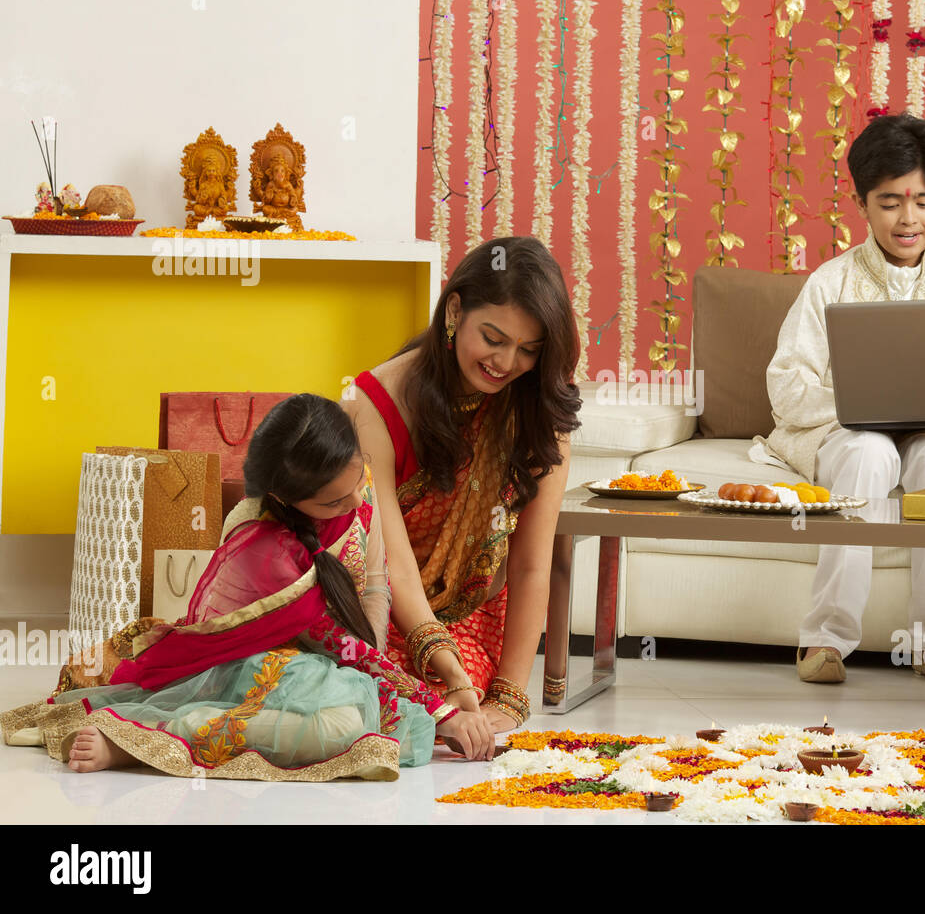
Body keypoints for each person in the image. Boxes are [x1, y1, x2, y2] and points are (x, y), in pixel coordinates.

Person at [0, 394, 496, 778]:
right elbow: (336, 643)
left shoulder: (353, 490)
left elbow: (374, 590)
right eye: (333, 502)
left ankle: (192, 734)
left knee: (350, 719)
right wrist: (437, 709)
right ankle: (150, 739)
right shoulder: (261, 544)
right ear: (286, 497)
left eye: (357, 486)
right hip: (248, 667)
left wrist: (378, 684)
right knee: (343, 725)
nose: (354, 503)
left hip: (334, 663)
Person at [752, 113, 925, 685]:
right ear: (862, 204)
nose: (909, 219)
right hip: (844, 436)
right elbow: (786, 386)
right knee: (870, 454)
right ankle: (824, 641)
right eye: (890, 203)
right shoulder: (829, 283)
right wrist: (859, 402)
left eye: (924, 201)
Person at [347, 236, 581, 732]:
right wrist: (441, 659)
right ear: (454, 311)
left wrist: (511, 696)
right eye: (493, 338)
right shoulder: (378, 401)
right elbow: (391, 562)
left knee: (453, 704)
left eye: (528, 350)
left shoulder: (539, 413)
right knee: (347, 681)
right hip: (380, 599)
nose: (505, 362)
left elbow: (532, 563)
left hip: (469, 614)